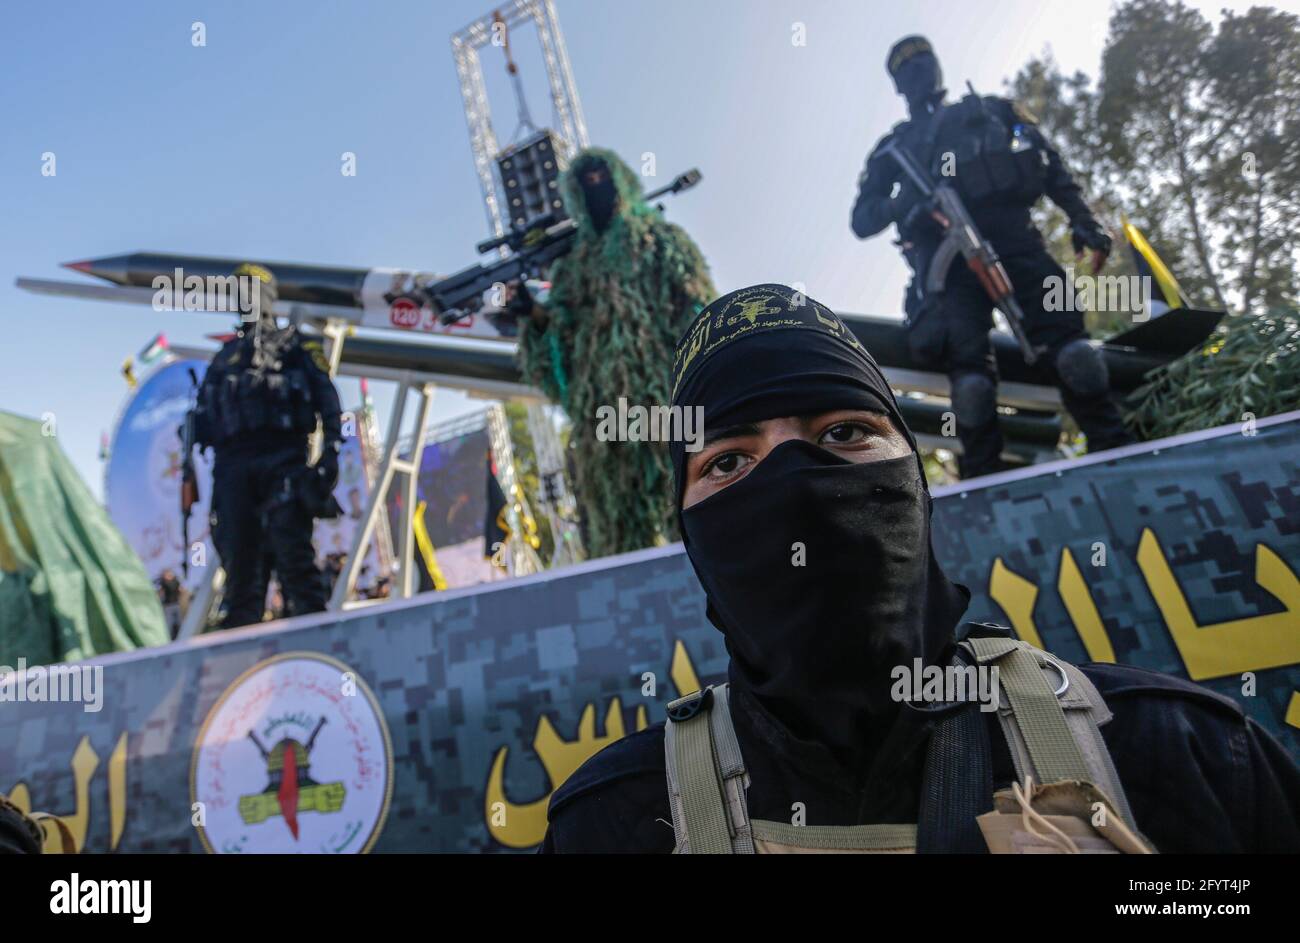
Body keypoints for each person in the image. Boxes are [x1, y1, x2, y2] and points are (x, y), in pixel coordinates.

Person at [540, 284, 1299, 853]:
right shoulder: (613, 822)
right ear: (690, 531)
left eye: (843, 430)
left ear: (917, 483)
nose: (793, 484)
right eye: (729, 460)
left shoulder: (1180, 753)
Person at [852, 36, 1134, 479]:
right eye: (905, 66)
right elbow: (861, 220)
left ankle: (1117, 457)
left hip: (1017, 240)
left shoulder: (990, 110)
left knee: (1076, 355)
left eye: (924, 58)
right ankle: (983, 487)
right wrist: (901, 201)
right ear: (897, 85)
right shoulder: (894, 149)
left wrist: (1083, 220)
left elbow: (1050, 164)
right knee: (972, 385)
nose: (918, 69)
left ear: (939, 66)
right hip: (944, 268)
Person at [511, 148, 715, 557]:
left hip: (671, 406)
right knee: (619, 534)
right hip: (606, 422)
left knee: (702, 515)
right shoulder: (571, 269)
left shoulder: (661, 241)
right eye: (585, 184)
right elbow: (559, 349)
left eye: (603, 178)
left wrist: (711, 387)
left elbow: (701, 311)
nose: (597, 189)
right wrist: (531, 315)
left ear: (622, 180)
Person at [188, 263, 343, 629]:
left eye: (252, 292)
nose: (246, 301)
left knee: (296, 567)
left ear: (269, 299)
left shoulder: (296, 347)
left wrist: (332, 450)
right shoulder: (223, 359)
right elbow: (205, 415)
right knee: (240, 576)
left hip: (283, 462)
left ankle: (316, 650)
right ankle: (242, 664)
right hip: (233, 470)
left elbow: (328, 400)